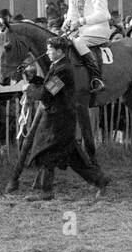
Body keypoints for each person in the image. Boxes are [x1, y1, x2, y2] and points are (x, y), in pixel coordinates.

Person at [22, 34, 110, 199]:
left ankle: (46, 192)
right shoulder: (59, 65)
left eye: (50, 49)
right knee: (72, 158)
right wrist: (33, 78)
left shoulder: (64, 70)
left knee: (47, 153)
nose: (47, 52)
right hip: (61, 119)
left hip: (60, 121)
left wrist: (29, 90)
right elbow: (49, 84)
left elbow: (48, 93)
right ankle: (100, 180)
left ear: (60, 51)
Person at [58, 0, 109, 93]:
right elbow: (72, 11)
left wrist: (80, 22)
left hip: (99, 29)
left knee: (78, 42)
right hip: (83, 30)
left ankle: (96, 78)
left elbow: (104, 14)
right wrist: (67, 21)